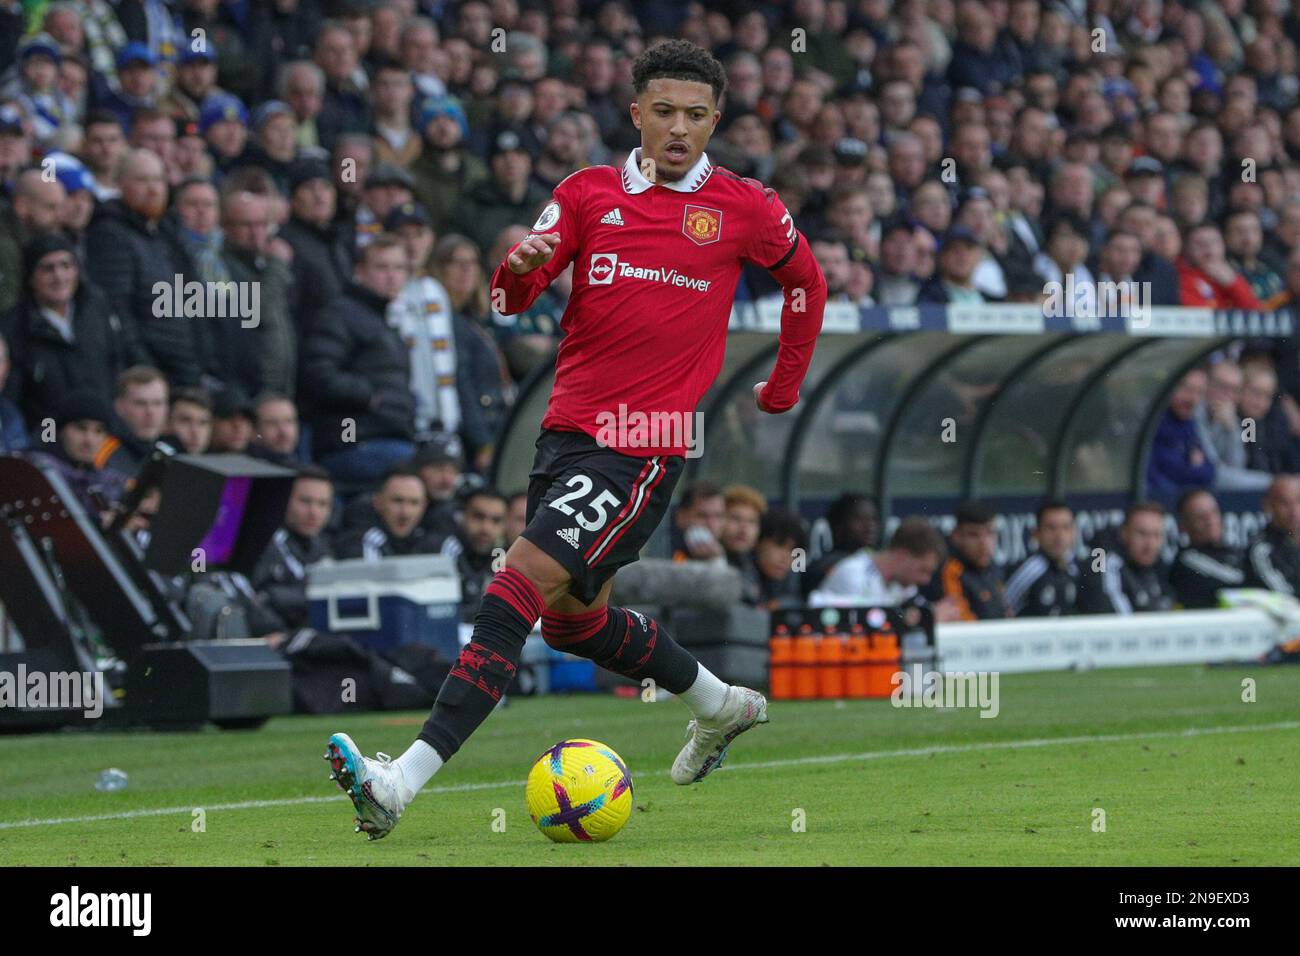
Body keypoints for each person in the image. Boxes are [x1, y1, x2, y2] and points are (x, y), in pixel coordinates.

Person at [325, 40, 827, 840]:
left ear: (715, 120)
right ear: (636, 114)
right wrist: (521, 270)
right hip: (565, 435)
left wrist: (786, 382)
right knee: (572, 625)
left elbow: (806, 281)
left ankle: (400, 782)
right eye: (663, 111)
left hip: (645, 443)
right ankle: (719, 704)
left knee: (516, 581)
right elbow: (505, 296)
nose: (678, 128)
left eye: (695, 115)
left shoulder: (746, 207)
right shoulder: (587, 193)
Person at [301, 233, 417, 483]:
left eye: (399, 268)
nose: (392, 275)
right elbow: (318, 374)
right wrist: (369, 396)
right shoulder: (341, 314)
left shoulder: (383, 320)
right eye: (382, 267)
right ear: (360, 271)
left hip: (386, 435)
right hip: (352, 439)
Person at [251, 465, 335, 634]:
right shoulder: (264, 544)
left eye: (322, 504)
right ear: (283, 500)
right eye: (305, 501)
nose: (314, 512)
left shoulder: (323, 547)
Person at [809, 517, 946, 607]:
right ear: (902, 556)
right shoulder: (853, 574)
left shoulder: (904, 585)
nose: (926, 580)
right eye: (923, 570)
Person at [1078, 502, 1176, 614]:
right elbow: (1121, 624)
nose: (1150, 544)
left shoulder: (1159, 567)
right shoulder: (1104, 563)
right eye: (1142, 534)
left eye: (1157, 535)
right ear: (1124, 533)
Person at [922, 500, 1009, 620]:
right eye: (974, 535)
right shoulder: (949, 570)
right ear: (956, 536)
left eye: (990, 533)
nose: (984, 544)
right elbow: (963, 624)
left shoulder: (994, 567)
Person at [334, 464, 442, 560]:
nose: (405, 513)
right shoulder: (359, 543)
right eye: (397, 501)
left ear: (424, 506)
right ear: (377, 502)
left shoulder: (437, 543)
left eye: (414, 503)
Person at [1004, 499, 1082, 617]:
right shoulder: (1029, 570)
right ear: (1036, 533)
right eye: (1051, 528)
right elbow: (1003, 610)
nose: (1059, 536)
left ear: (1074, 532)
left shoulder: (1077, 567)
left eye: (1066, 527)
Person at [1170, 489, 1245, 609]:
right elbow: (1237, 581)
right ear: (1183, 525)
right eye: (1200, 516)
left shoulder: (1235, 552)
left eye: (1213, 512)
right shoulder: (1186, 561)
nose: (1210, 520)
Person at [1244, 476, 1300, 595]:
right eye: (1285, 503)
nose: (1294, 510)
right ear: (1268, 506)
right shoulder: (1261, 549)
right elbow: (1285, 597)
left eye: (1298, 500)